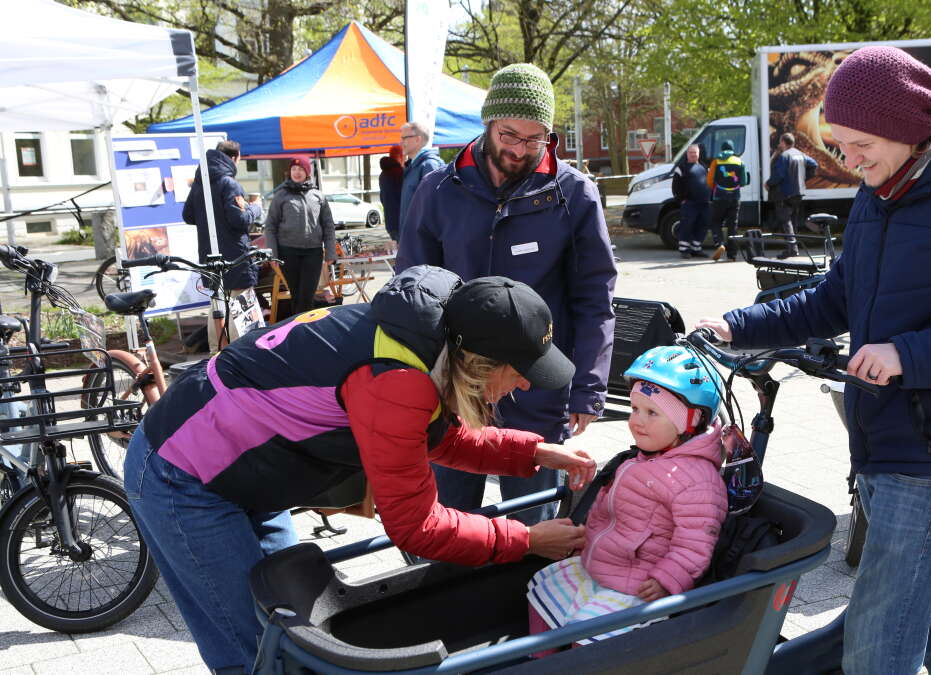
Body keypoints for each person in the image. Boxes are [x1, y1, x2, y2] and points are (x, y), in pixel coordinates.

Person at [696, 45, 931, 674]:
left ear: (911, 130)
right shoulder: (879, 193)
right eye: (839, 142)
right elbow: (837, 297)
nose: (848, 158)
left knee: (875, 649)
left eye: (861, 142)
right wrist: (737, 326)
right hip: (885, 438)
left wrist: (906, 356)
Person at [124, 266, 597, 673]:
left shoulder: (426, 337)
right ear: (476, 361)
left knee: (300, 632)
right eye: (518, 372)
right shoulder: (397, 380)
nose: (523, 385)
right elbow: (418, 526)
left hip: (247, 470)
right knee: (254, 649)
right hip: (182, 475)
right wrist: (527, 540)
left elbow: (437, 437)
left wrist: (535, 453)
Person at [399, 63, 617, 526]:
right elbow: (411, 289)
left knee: (531, 525)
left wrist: (588, 388)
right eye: (510, 135)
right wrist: (408, 380)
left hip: (534, 388)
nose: (520, 150)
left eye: (535, 139)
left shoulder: (573, 192)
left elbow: (595, 297)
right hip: (453, 386)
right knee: (446, 523)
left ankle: (523, 596)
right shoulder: (439, 189)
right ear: (487, 124)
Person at [526, 345, 727, 650]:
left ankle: (579, 666)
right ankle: (540, 661)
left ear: (690, 420)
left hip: (639, 583)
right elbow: (607, 510)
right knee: (544, 588)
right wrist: (586, 537)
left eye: (652, 413)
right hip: (600, 563)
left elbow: (696, 541)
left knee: (591, 632)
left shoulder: (696, 480)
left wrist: (668, 579)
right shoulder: (641, 458)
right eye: (634, 409)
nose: (637, 421)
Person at [183, 139, 263, 352]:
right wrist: (254, 209)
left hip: (209, 253)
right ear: (236, 157)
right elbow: (239, 220)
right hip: (234, 255)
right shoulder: (229, 183)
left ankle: (215, 353)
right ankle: (243, 354)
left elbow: (188, 215)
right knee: (240, 303)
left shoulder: (201, 181)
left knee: (217, 303)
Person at [263, 156, 336, 317]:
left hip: (313, 253)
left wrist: (330, 251)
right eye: (294, 169)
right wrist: (273, 254)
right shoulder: (281, 195)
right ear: (289, 172)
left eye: (301, 169)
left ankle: (302, 330)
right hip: (288, 253)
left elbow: (328, 226)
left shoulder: (318, 196)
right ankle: (299, 331)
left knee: (307, 295)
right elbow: (270, 227)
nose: (296, 172)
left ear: (307, 172)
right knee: (297, 295)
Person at [766, 132, 819, 258]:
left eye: (780, 142)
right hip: (798, 193)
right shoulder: (800, 154)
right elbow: (814, 165)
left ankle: (792, 249)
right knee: (793, 221)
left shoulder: (784, 156)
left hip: (786, 193)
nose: (779, 144)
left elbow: (779, 175)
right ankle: (793, 248)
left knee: (785, 221)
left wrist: (768, 183)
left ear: (784, 142)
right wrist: (803, 178)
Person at [396, 121, 445, 237]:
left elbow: (434, 209)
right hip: (413, 241)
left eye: (404, 138)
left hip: (423, 243)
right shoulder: (414, 166)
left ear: (417, 139)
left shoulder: (429, 165)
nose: (400, 142)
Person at [707, 139, 749, 261]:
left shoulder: (716, 161)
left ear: (722, 149)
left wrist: (715, 187)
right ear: (732, 149)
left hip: (719, 197)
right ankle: (732, 255)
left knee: (716, 221)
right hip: (735, 197)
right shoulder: (739, 161)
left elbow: (709, 180)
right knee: (733, 225)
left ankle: (719, 244)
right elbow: (744, 181)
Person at [670, 144, 711, 258]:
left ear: (698, 154)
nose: (693, 154)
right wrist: (680, 200)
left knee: (703, 225)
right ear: (687, 154)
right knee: (687, 225)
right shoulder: (681, 167)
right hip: (689, 203)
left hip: (704, 203)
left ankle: (696, 248)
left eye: (695, 152)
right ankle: (684, 249)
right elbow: (675, 186)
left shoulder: (703, 166)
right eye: (691, 152)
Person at [379, 145, 405, 243]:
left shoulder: (383, 174)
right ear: (401, 156)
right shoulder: (400, 173)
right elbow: (406, 197)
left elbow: (382, 198)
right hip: (401, 221)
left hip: (390, 221)